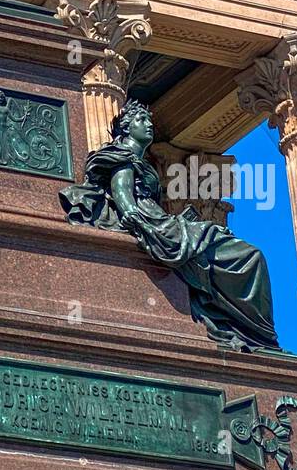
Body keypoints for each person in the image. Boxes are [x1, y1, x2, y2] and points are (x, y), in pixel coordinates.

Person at [61, 99, 281, 352]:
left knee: (247, 255)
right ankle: (255, 334)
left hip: (165, 224)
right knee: (250, 257)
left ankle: (248, 332)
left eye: (149, 120)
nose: (149, 125)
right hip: (158, 227)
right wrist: (157, 231)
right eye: (140, 120)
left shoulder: (137, 161)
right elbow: (128, 207)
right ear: (125, 127)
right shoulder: (122, 160)